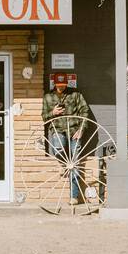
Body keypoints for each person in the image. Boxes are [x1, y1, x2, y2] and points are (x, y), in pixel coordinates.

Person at [43, 74, 92, 203]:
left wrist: (82, 129)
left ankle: (73, 196)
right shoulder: (48, 97)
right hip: (58, 129)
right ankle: (64, 164)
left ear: (66, 84)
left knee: (75, 163)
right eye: (59, 85)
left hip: (75, 130)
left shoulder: (76, 95)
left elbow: (85, 111)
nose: (61, 87)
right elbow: (44, 117)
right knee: (58, 149)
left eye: (63, 85)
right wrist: (52, 113)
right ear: (54, 84)